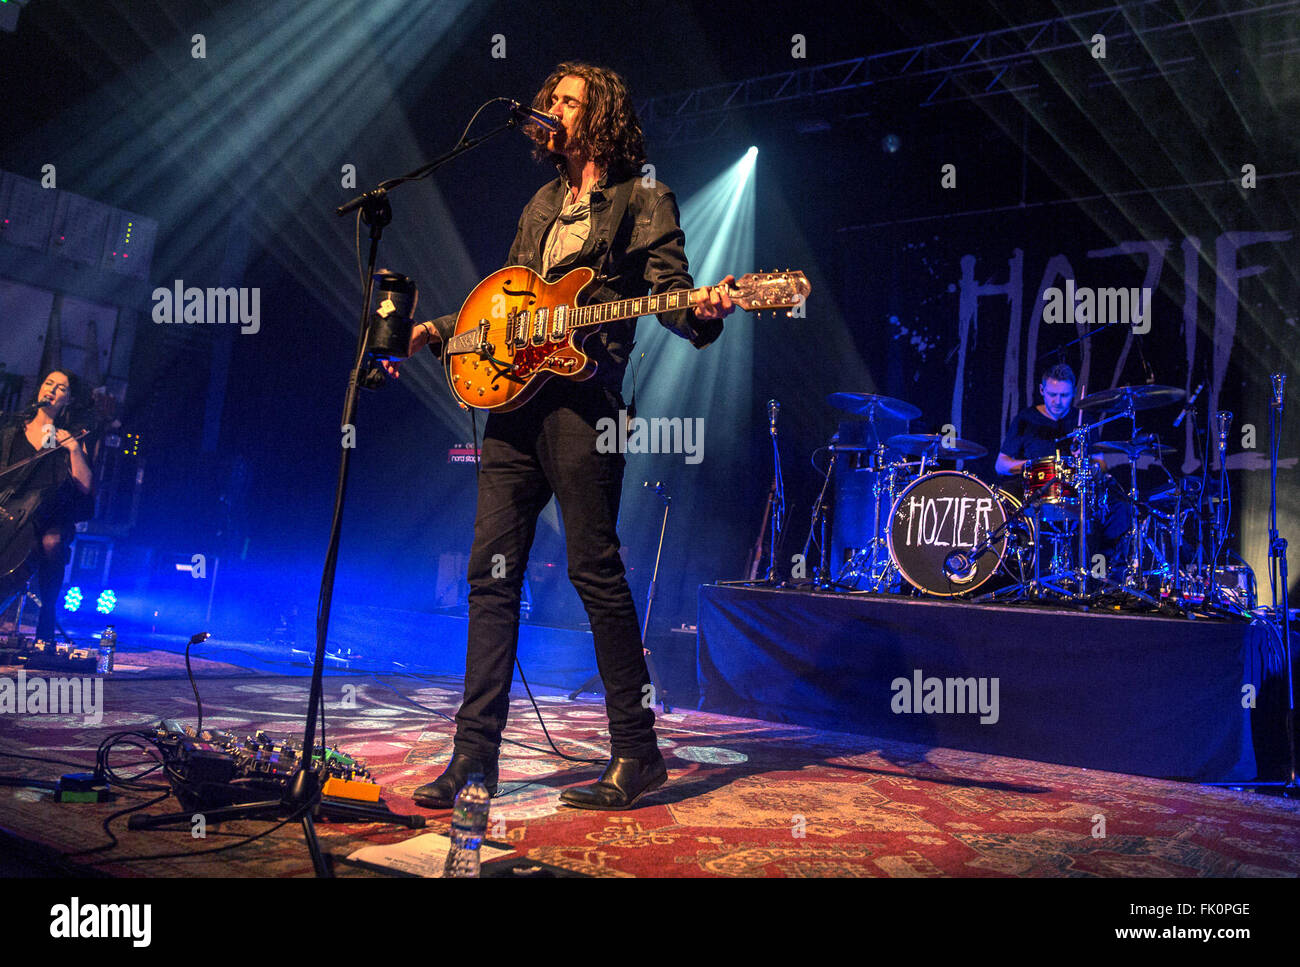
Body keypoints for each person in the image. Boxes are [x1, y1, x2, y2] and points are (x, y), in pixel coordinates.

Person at [386, 63, 736, 810]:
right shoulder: (543, 200)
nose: (552, 109)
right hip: (514, 404)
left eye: (569, 100)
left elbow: (670, 289)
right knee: (490, 575)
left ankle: (637, 752)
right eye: (550, 100)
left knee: (593, 569)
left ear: (602, 113)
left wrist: (703, 309)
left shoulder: (643, 195)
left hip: (586, 403)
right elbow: (506, 300)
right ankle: (473, 758)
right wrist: (435, 331)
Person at [995, 362, 1129, 567]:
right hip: (1035, 493)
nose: (1057, 401)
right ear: (1042, 390)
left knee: (1120, 505)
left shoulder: (1084, 420)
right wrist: (1033, 466)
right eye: (1052, 394)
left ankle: (1108, 571)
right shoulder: (1026, 419)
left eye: (1065, 396)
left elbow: (1101, 465)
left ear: (1074, 392)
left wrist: (1084, 458)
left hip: (1077, 493)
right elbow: (1001, 465)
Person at [0, 371, 93, 642]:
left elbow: (85, 486)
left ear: (68, 399)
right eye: (48, 384)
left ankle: (47, 613)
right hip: (8, 508)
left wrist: (75, 449)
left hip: (47, 512)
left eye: (60, 387)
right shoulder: (12, 431)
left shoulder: (63, 437)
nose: (51, 390)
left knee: (52, 542)